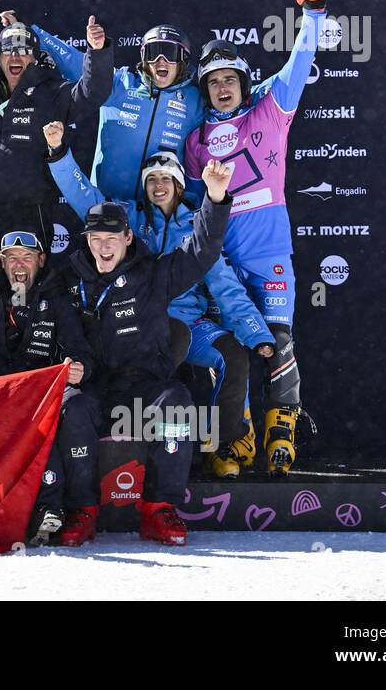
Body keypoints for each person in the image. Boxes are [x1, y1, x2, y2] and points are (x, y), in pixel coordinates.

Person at [44, 127, 275, 478]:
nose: (158, 185)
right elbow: (84, 197)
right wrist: (60, 154)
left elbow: (222, 281)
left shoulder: (195, 226)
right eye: (152, 179)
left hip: (186, 322)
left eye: (166, 178)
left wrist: (256, 332)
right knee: (168, 349)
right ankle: (148, 441)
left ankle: (222, 443)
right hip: (138, 320)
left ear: (179, 184)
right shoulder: (129, 219)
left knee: (229, 354)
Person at [184, 0, 331, 476]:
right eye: (213, 82)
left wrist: (312, 13)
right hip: (220, 260)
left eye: (230, 79)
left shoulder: (271, 109)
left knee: (280, 341)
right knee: (235, 344)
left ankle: (281, 431)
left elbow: (297, 63)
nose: (222, 88)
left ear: (244, 83)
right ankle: (237, 436)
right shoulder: (195, 140)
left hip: (267, 251)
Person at [61, 160, 235, 546]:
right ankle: (82, 512)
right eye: (95, 239)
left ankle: (159, 510)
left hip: (144, 389)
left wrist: (215, 198)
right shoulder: (70, 283)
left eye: (110, 238)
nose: (102, 247)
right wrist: (78, 368)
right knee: (71, 406)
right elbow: (73, 342)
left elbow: (201, 253)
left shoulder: (153, 274)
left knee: (177, 402)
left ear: (126, 238)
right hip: (96, 389)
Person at [0, 231, 100, 547]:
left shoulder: (57, 299)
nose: (19, 265)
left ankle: (74, 508)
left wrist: (79, 368)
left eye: (26, 257)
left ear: (41, 260)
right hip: (0, 394)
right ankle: (26, 510)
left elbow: (81, 351)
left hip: (44, 395)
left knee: (76, 406)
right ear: (2, 262)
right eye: (12, 257)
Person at [0, 10, 113, 262]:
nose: (15, 56)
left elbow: (92, 94)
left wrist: (97, 52)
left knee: (27, 283)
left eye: (23, 51)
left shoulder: (52, 92)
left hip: (31, 210)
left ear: (35, 58)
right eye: (8, 50)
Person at [33, 17, 203, 204]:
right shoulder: (119, 84)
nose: (160, 61)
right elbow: (70, 58)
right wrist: (31, 32)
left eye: (170, 53)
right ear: (144, 58)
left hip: (161, 217)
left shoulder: (196, 101)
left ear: (183, 60)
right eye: (153, 52)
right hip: (107, 210)